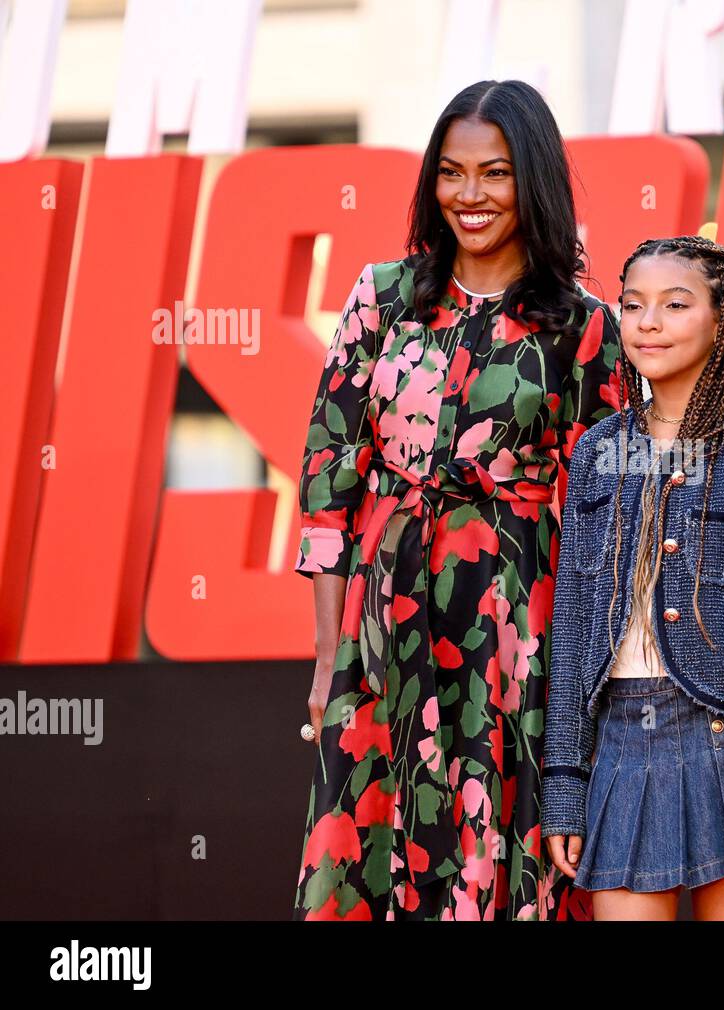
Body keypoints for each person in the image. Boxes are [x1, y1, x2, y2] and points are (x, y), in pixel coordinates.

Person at [290, 79, 621, 921]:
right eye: (451, 172)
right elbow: (331, 479)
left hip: (514, 626)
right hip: (383, 617)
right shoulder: (382, 296)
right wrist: (331, 656)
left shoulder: (583, 325)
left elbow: (601, 516)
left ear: (533, 179)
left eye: (496, 174)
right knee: (375, 828)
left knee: (492, 830)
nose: (469, 196)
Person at [542, 235, 724, 921]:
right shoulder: (598, 450)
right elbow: (573, 628)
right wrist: (566, 788)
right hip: (621, 743)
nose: (648, 322)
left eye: (674, 304)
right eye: (633, 305)